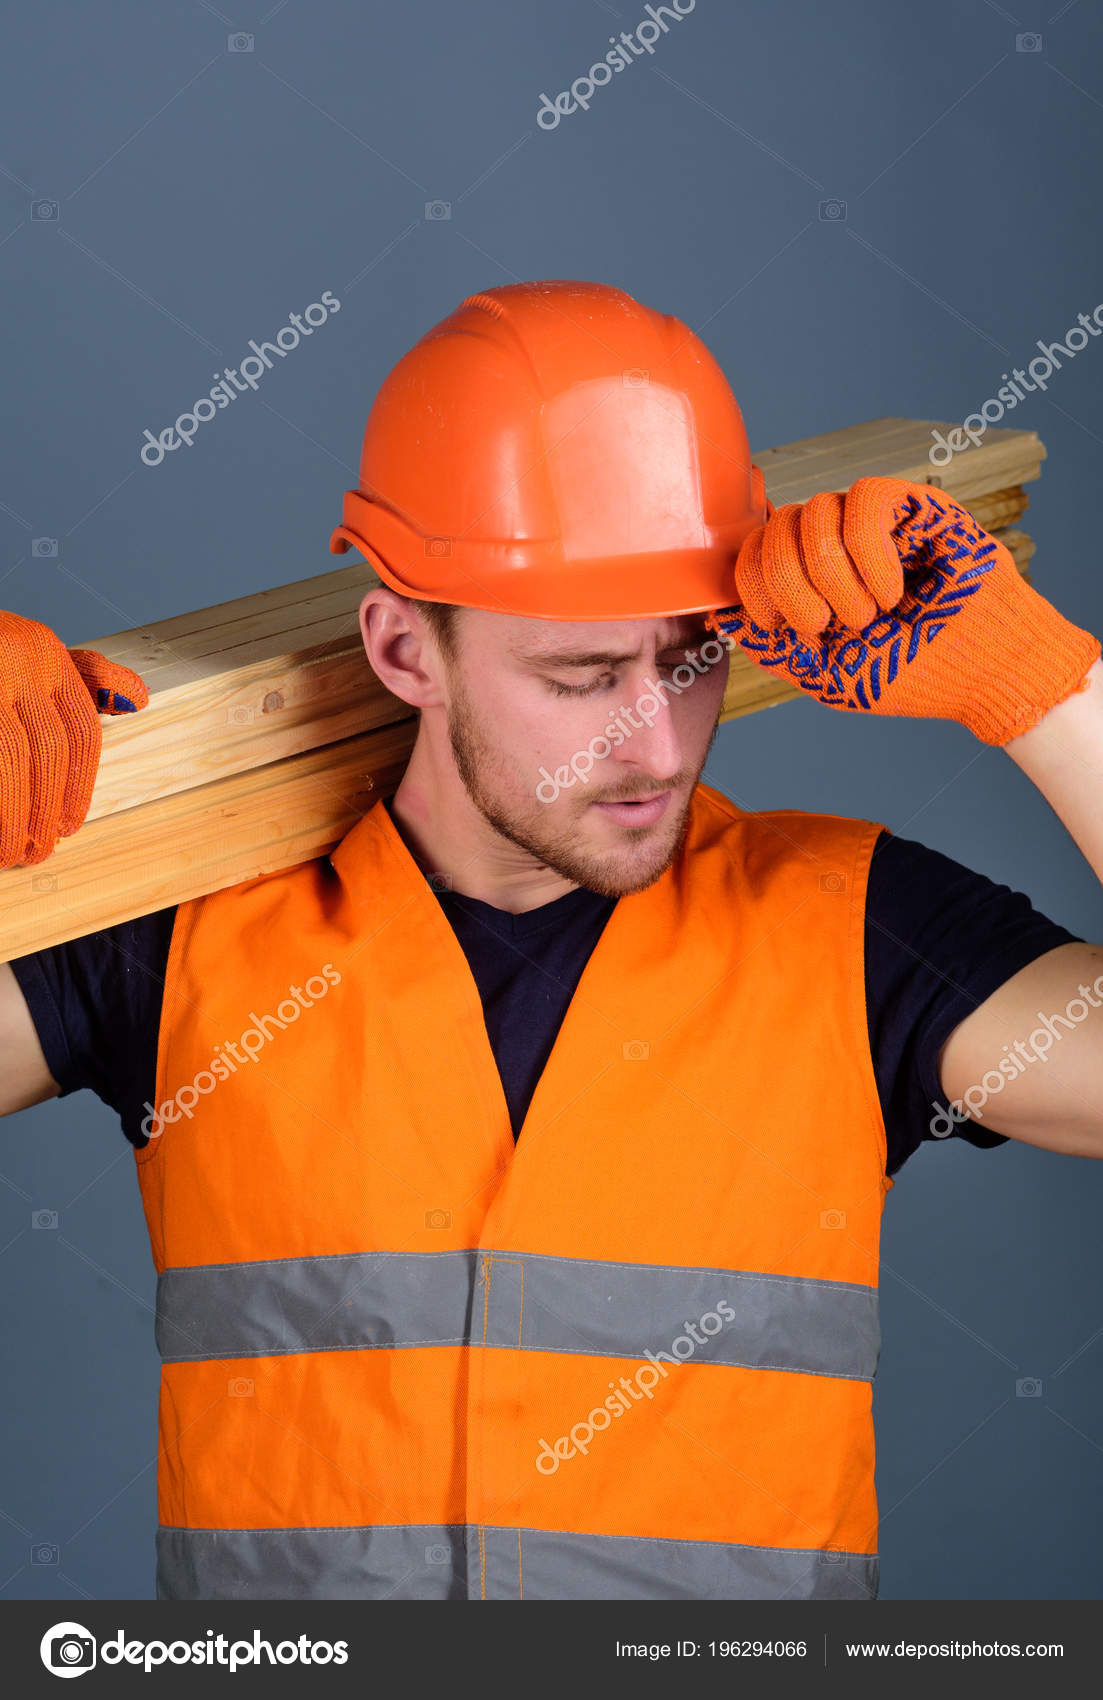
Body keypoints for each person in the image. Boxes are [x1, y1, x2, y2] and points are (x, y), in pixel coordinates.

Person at [1, 280, 1100, 1603]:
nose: (650, 741)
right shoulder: (179, 940)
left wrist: (1048, 692)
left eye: (690, 662)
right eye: (581, 678)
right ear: (407, 649)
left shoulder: (854, 928)